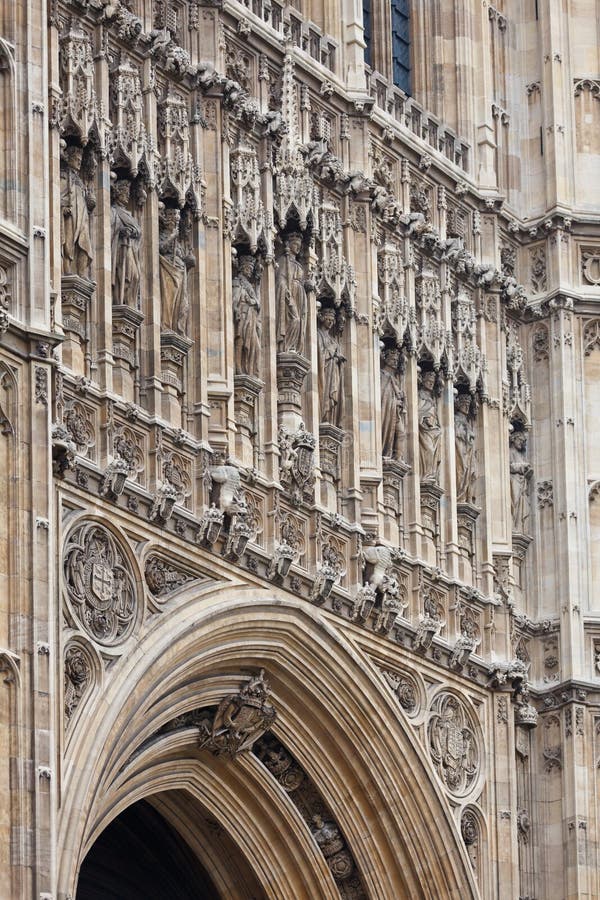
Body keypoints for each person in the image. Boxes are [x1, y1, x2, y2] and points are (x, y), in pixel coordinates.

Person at [159, 207, 195, 335]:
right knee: (169, 300)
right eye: (171, 219)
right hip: (169, 271)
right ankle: (166, 325)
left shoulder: (178, 243)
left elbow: (181, 257)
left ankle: (176, 327)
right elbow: (161, 248)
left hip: (179, 273)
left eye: (175, 221)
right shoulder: (163, 235)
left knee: (182, 305)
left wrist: (188, 261)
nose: (174, 223)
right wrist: (172, 236)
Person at [60, 144, 95, 278]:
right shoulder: (64, 176)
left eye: (81, 160)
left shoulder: (80, 181)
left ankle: (82, 272)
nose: (79, 162)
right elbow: (58, 195)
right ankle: (66, 268)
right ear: (69, 158)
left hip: (83, 216)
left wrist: (90, 202)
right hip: (71, 214)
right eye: (76, 159)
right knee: (69, 241)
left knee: (85, 243)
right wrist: (63, 208)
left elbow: (83, 199)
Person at [275, 233, 312, 355]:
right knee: (294, 319)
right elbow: (280, 279)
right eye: (295, 244)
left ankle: (294, 346)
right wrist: (286, 291)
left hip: (299, 295)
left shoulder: (298, 264)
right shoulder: (283, 260)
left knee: (299, 321)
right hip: (289, 294)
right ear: (288, 244)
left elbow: (299, 280)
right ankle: (286, 345)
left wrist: (306, 285)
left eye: (299, 245)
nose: (298, 247)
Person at [110, 178, 142, 308]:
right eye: (124, 192)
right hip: (121, 248)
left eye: (128, 192)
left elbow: (139, 231)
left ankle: (128, 302)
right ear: (117, 194)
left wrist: (133, 231)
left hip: (131, 249)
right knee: (125, 274)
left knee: (135, 276)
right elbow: (110, 226)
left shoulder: (129, 214)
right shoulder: (114, 211)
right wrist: (121, 230)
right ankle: (119, 299)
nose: (127, 195)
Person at [232, 255, 261, 377]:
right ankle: (238, 367)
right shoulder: (238, 282)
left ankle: (249, 370)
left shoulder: (250, 286)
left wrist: (258, 284)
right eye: (248, 268)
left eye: (251, 269)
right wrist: (235, 309)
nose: (249, 271)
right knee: (241, 340)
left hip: (252, 317)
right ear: (242, 268)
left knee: (257, 347)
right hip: (243, 314)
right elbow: (234, 299)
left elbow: (257, 302)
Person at [317, 307, 345, 426]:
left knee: (333, 396)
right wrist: (332, 354)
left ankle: (331, 419)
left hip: (333, 371)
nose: (330, 322)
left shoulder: (334, 341)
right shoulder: (318, 334)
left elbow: (336, 354)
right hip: (325, 370)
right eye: (328, 318)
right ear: (322, 318)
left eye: (332, 320)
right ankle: (323, 417)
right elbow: (319, 353)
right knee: (325, 395)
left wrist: (339, 358)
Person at [380, 346, 406, 459]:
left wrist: (401, 401)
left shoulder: (395, 379)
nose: (395, 362)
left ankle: (397, 457)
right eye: (392, 359)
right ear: (385, 359)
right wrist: (394, 402)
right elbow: (382, 395)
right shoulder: (381, 375)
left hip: (395, 412)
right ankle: (384, 452)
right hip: (387, 410)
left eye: (396, 360)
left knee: (401, 433)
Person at [418, 369, 442, 480]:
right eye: (428, 381)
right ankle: (426, 474)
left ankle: (431, 473)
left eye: (432, 382)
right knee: (429, 450)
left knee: (433, 451)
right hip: (424, 429)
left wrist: (436, 425)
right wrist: (424, 418)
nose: (431, 384)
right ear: (422, 380)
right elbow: (417, 410)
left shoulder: (433, 399)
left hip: (433, 430)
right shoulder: (420, 394)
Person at [454, 392, 476, 503]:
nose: (466, 407)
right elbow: (457, 433)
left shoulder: (467, 422)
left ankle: (466, 497)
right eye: (464, 404)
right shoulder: (456, 418)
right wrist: (468, 435)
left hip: (468, 452)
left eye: (468, 405)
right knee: (461, 471)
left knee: (470, 473)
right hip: (460, 450)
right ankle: (459, 496)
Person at [510, 430, 532, 531]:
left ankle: (519, 526)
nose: (521, 443)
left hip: (522, 482)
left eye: (523, 441)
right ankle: (512, 525)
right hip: (514, 480)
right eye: (520, 440)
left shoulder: (521, 456)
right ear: (514, 439)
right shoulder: (510, 452)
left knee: (521, 503)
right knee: (515, 501)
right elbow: (509, 466)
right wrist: (523, 467)